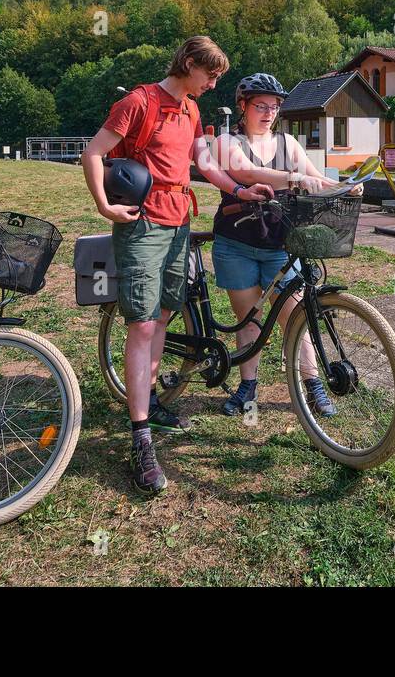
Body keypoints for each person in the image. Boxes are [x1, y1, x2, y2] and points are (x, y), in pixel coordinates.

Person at [82, 37, 273, 495]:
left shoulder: (189, 111)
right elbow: (92, 153)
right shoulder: (138, 102)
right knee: (144, 325)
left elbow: (203, 163)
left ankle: (149, 401)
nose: (212, 85)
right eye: (210, 75)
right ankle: (140, 436)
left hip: (179, 222)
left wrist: (238, 191)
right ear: (188, 64)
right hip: (144, 225)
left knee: (165, 314)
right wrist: (106, 207)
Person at [209, 73, 360, 420]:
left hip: (281, 244)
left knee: (296, 316)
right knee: (249, 320)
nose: (269, 112)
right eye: (261, 105)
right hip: (237, 244)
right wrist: (293, 178)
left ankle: (312, 384)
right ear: (242, 107)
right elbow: (245, 173)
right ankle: (248, 386)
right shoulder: (225, 142)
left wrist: (344, 187)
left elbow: (315, 180)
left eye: (274, 107)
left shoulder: (288, 144)